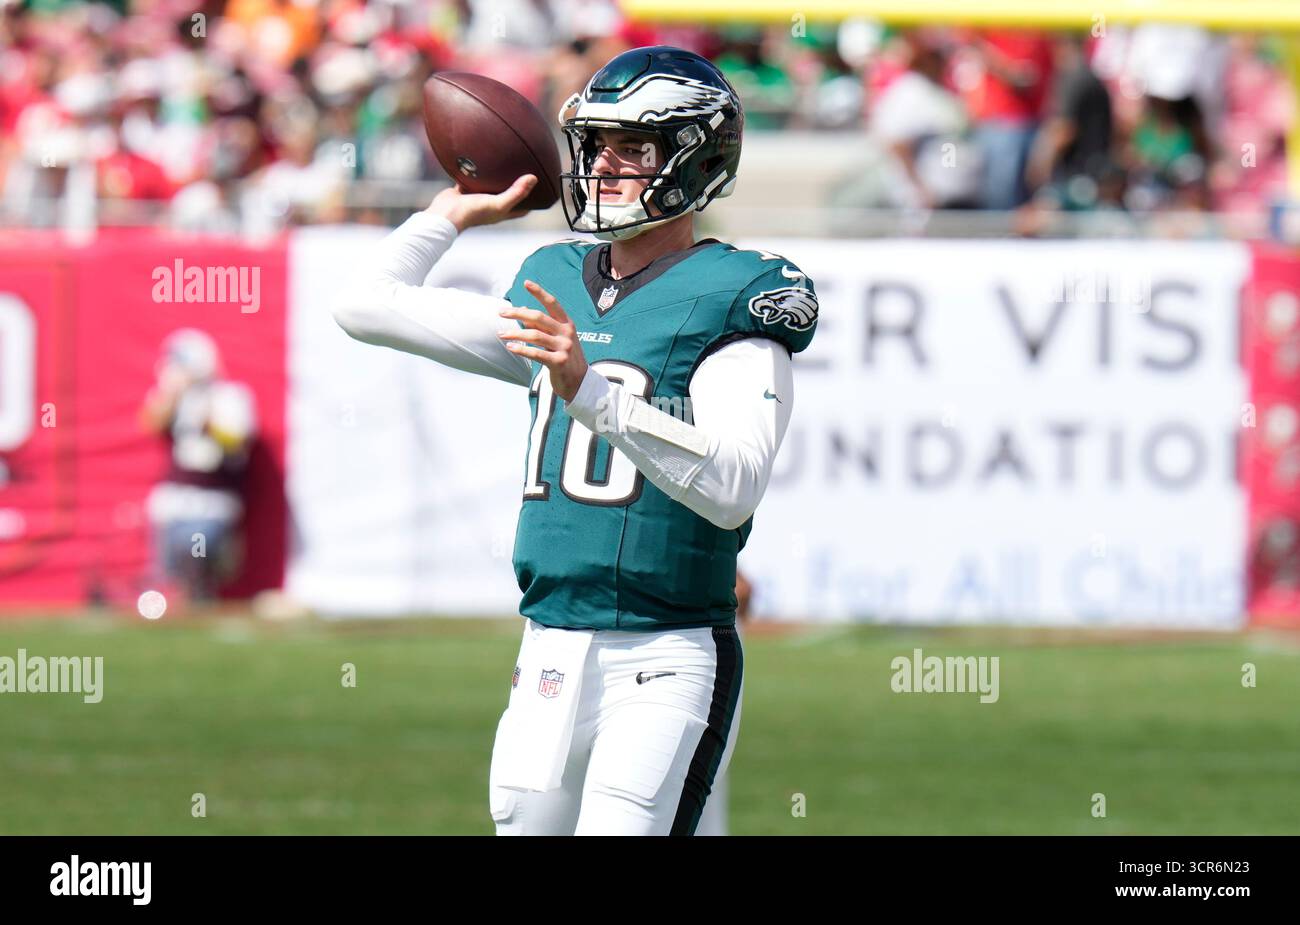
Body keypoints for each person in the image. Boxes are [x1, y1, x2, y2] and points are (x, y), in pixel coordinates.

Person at [333, 45, 819, 835]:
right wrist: (452, 210)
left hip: (666, 653)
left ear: (696, 158)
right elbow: (362, 304)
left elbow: (734, 487)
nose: (605, 167)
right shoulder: (554, 279)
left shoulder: (736, 295)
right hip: (549, 645)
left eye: (634, 147)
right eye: (597, 145)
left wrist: (590, 391)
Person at [139, 329, 257, 604]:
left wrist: (208, 421)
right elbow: (150, 423)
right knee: (174, 569)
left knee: (201, 559)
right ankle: (184, 606)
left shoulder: (229, 396)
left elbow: (237, 441)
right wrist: (173, 395)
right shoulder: (175, 397)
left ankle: (202, 600)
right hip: (177, 497)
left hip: (213, 498)